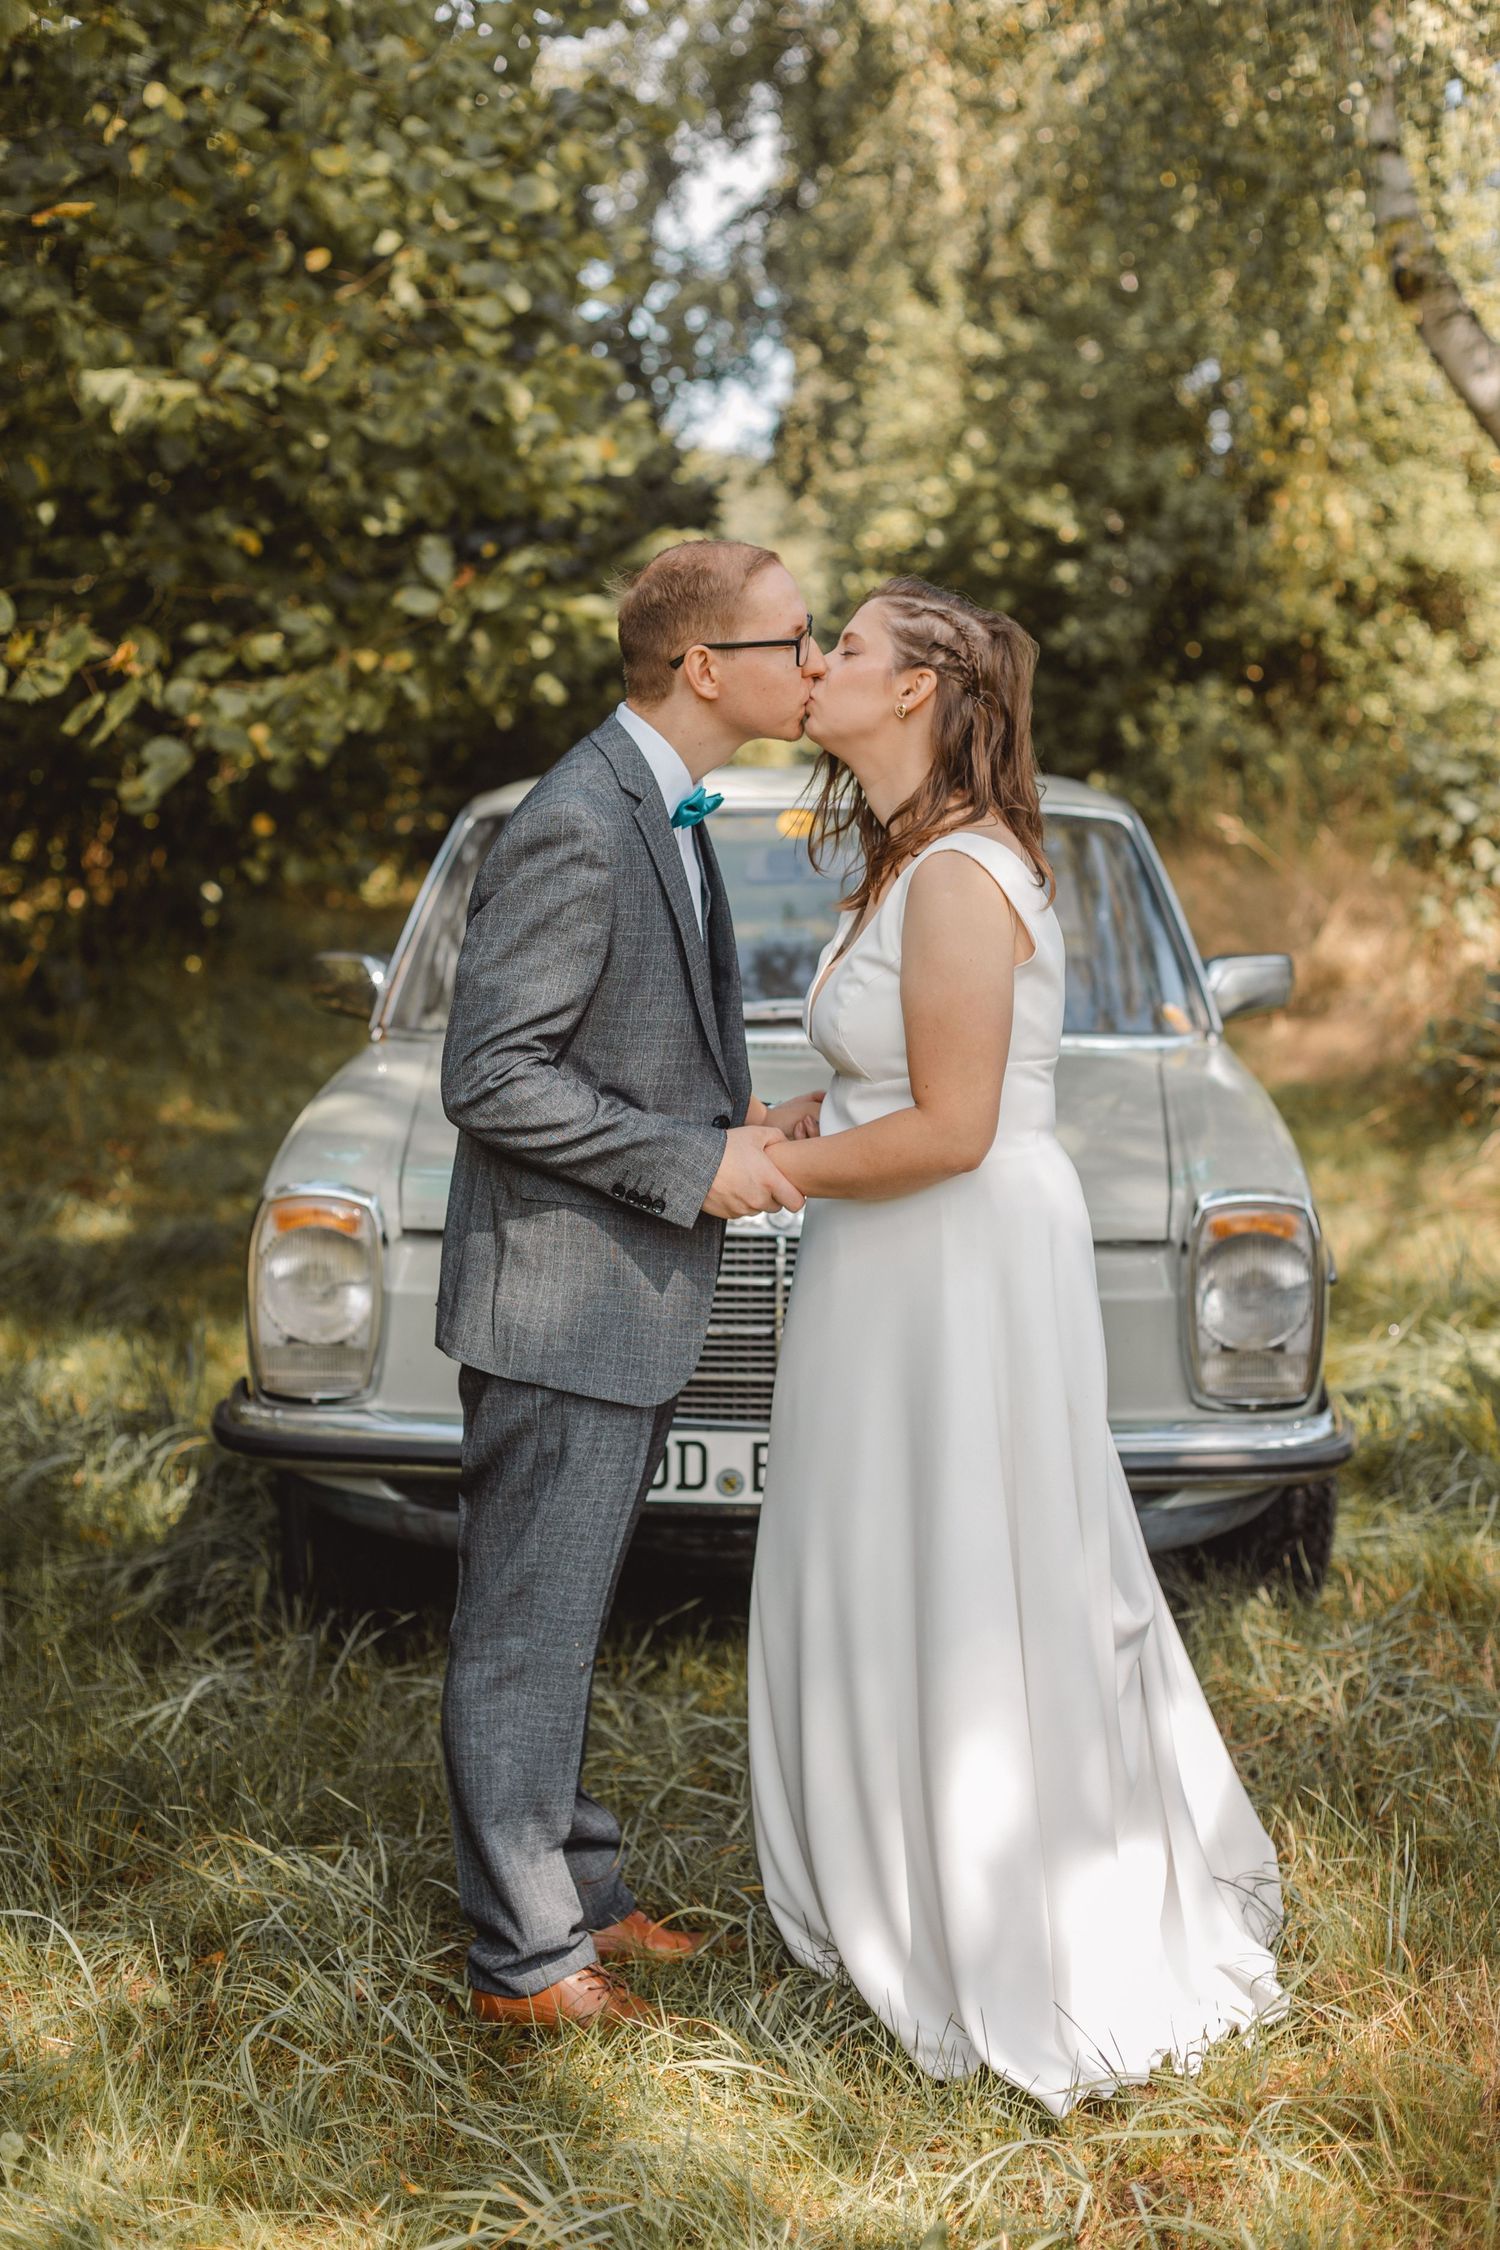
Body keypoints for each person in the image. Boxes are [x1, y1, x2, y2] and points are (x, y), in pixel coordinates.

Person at [747, 576, 1287, 2112]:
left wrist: (768, 1172)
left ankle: (991, 1887)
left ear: (917, 688)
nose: (817, 662)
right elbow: (899, 1080)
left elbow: (956, 1126)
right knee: (884, 1538)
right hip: (894, 1254)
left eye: (848, 646)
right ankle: (887, 1848)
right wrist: (808, 1111)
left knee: (972, 1550)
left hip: (956, 1252)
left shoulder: (961, 873)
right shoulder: (906, 861)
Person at [437, 539, 826, 2030]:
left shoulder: (662, 802)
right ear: (704, 667)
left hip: (617, 1295)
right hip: (559, 1298)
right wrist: (691, 1163)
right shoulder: (581, 820)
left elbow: (624, 1040)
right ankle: (527, 1965)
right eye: (795, 638)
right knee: (523, 1628)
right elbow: (492, 1075)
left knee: (568, 1611)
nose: (815, 661)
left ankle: (580, 1894)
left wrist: (746, 1125)